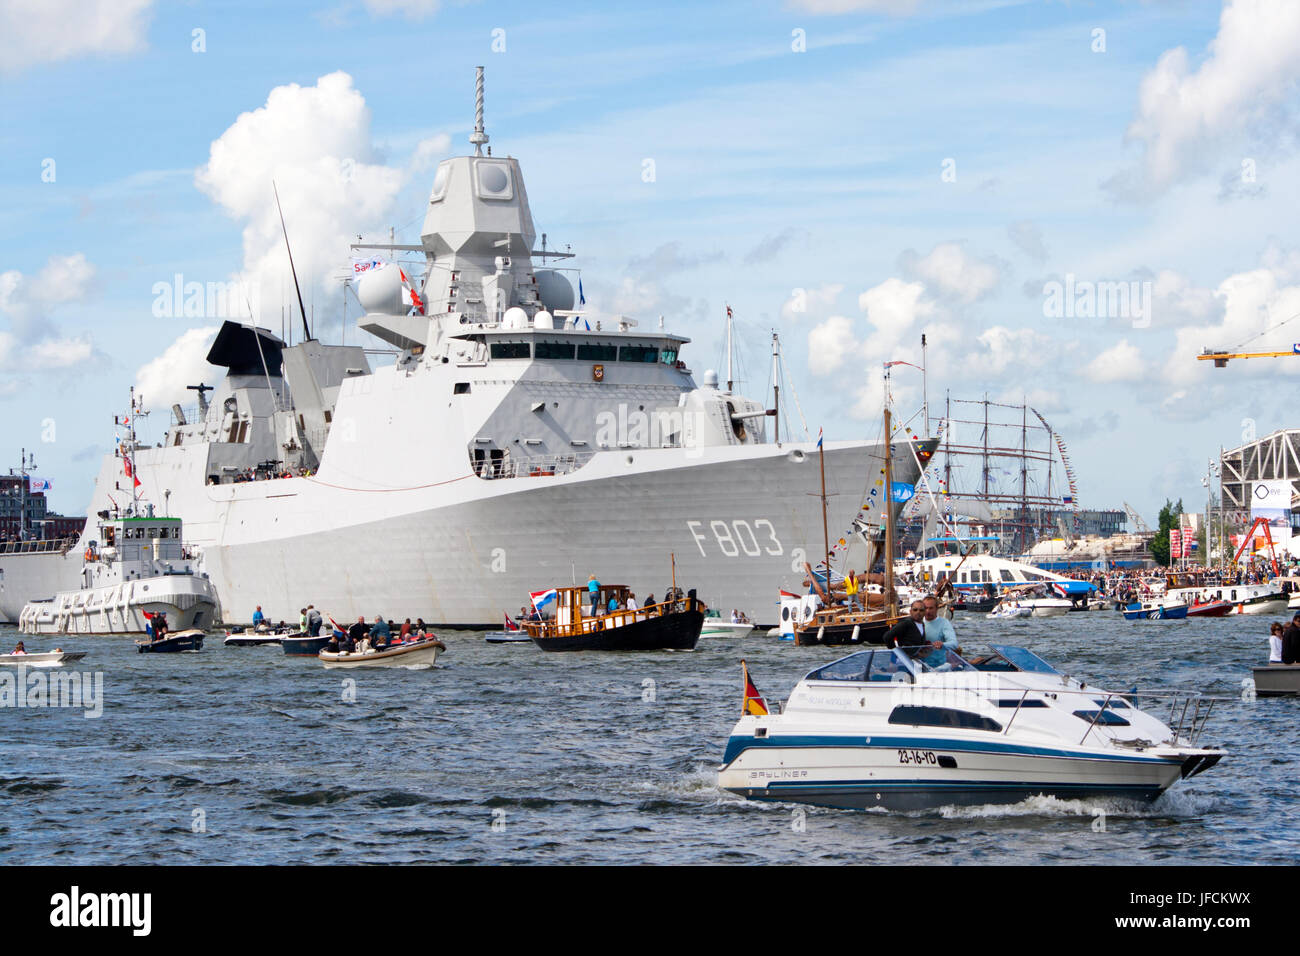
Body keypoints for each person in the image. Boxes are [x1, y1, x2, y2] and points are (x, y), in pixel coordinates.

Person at [920, 595, 960, 669]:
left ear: (937, 608)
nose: (928, 611)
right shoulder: (917, 622)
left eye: (931, 608)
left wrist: (942, 644)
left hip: (938, 667)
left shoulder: (944, 623)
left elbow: (954, 644)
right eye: (925, 608)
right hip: (919, 666)